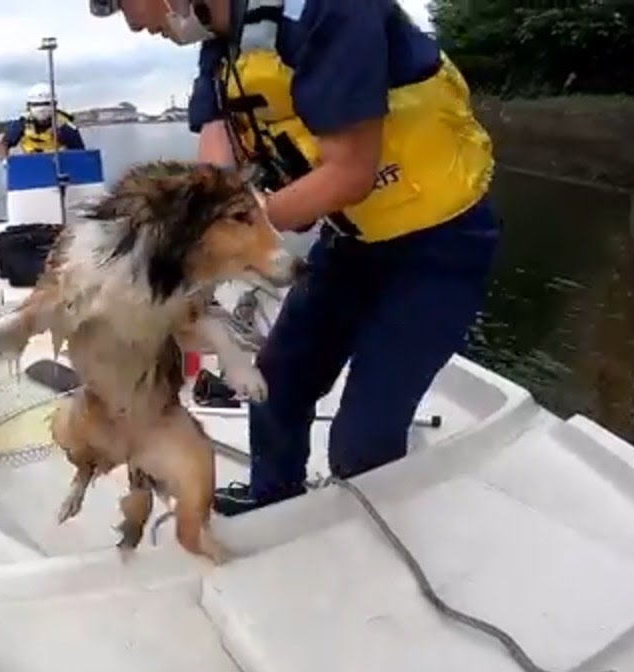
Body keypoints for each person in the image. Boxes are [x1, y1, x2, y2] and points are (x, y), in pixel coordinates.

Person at [89, 0, 501, 516]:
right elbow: (217, 183)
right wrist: (183, 258)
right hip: (353, 241)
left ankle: (373, 538)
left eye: (121, 2)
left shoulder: (332, 11)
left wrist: (227, 240)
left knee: (363, 438)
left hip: (440, 246)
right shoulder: (219, 46)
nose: (131, 23)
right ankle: (274, 500)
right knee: (274, 384)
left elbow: (351, 173)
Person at [0, 82, 86, 159]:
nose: (41, 109)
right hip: (31, 168)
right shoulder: (20, 124)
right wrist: (5, 160)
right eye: (36, 104)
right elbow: (3, 144)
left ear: (55, 105)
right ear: (29, 106)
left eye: (46, 104)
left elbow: (81, 155)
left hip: (61, 169)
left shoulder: (65, 127)